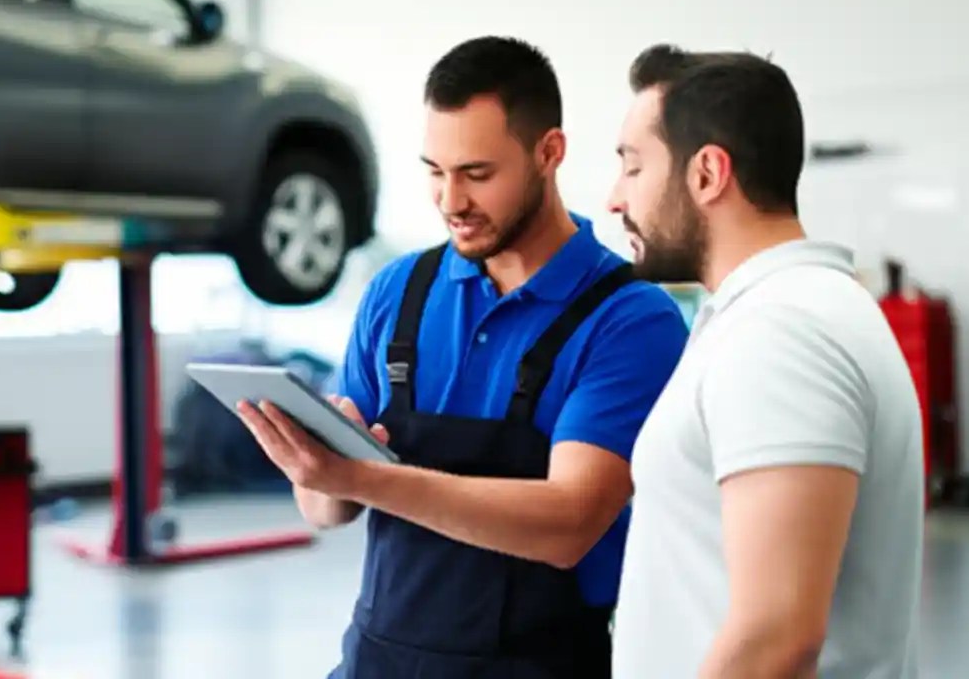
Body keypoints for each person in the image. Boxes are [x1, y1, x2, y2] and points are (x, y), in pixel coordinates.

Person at [235, 36, 689, 677]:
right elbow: (327, 511)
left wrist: (362, 476)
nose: (451, 201)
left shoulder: (629, 318)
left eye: (477, 174)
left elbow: (570, 524)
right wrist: (314, 467)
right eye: (435, 171)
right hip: (376, 660)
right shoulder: (398, 292)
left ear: (549, 153)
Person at [607, 43, 924, 678]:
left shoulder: (782, 333)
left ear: (707, 174)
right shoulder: (766, 315)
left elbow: (777, 633)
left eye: (634, 168)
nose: (616, 198)